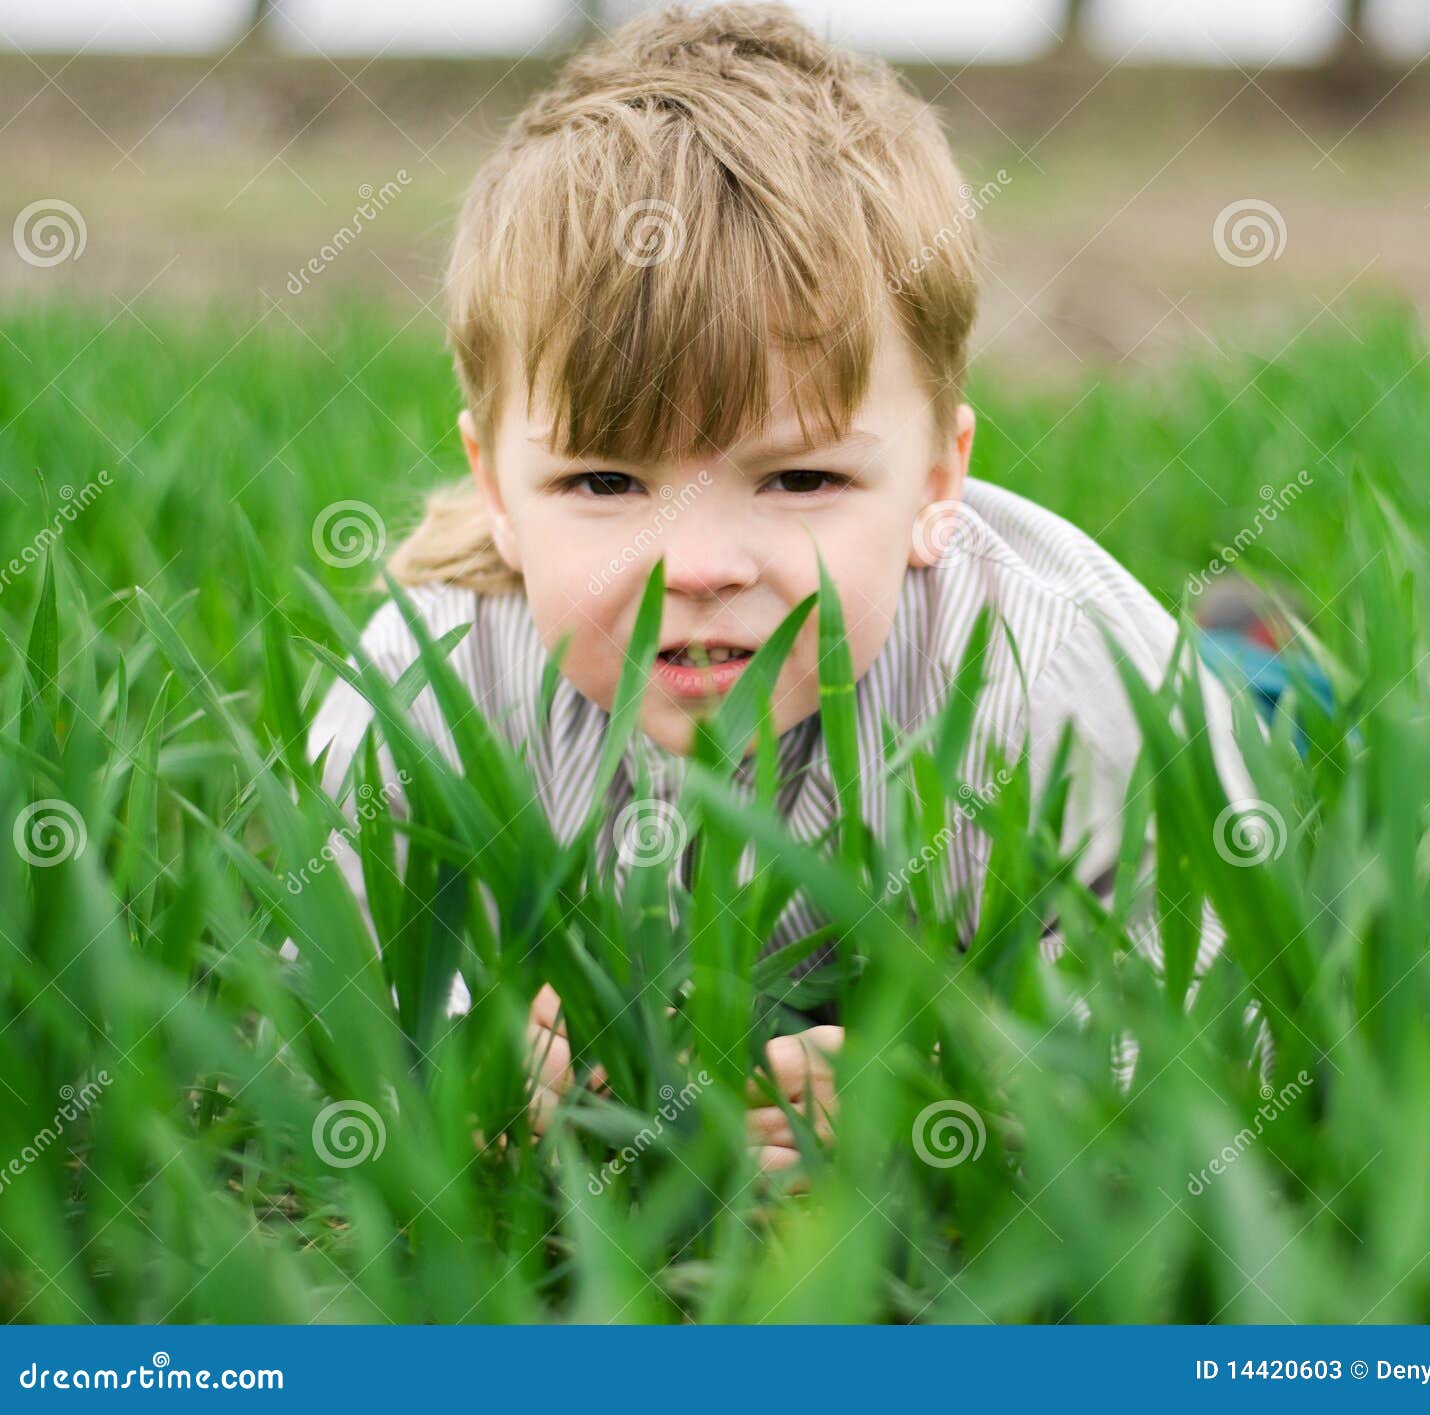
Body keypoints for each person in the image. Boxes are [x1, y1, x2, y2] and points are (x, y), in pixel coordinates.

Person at [294, 2, 1256, 1172]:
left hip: (1177, 705)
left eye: (799, 475)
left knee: (1257, 705)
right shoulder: (427, 689)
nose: (698, 567)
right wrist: (458, 1061)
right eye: (605, 480)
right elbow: (334, 986)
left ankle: (1251, 654)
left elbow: (1226, 991)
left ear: (937, 477)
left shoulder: (1055, 672)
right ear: (494, 482)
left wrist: (984, 1084)